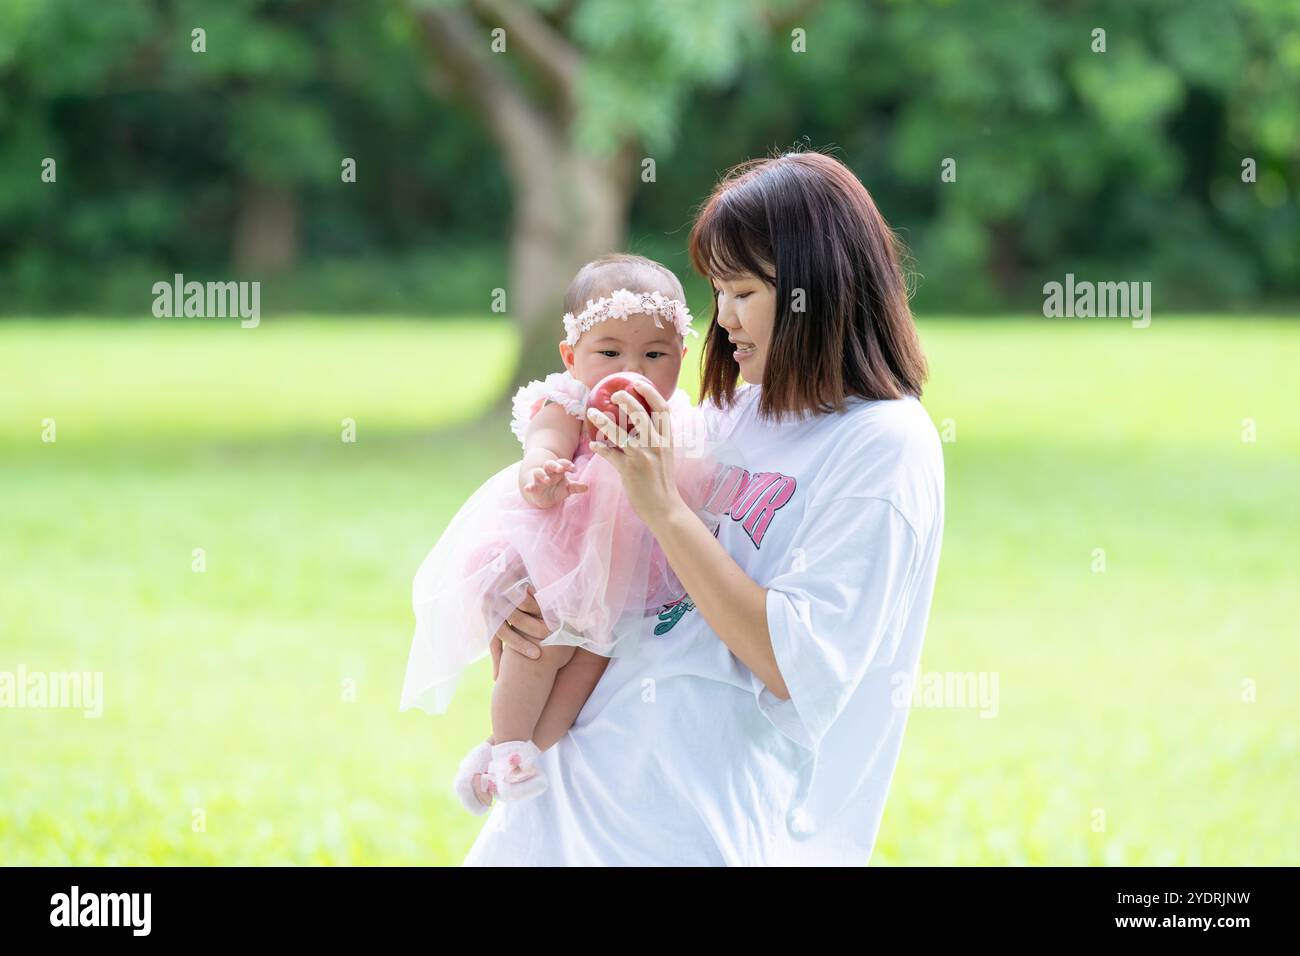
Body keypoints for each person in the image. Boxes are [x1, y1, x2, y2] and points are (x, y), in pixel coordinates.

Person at [464, 150, 945, 865]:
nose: (721, 321)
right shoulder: (729, 409)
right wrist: (522, 607)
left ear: (818, 289)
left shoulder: (882, 444)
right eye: (716, 291)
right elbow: (612, 567)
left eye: (744, 292)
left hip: (698, 827)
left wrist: (663, 508)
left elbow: (795, 664)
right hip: (570, 797)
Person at [400, 254, 738, 812]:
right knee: (540, 651)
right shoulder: (571, 403)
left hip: (622, 579)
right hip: (559, 561)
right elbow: (541, 453)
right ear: (571, 357)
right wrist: (545, 476)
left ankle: (510, 755)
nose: (632, 368)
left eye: (655, 355)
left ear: (682, 356)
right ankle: (509, 742)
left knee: (587, 668)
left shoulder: (678, 418)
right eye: (609, 353)